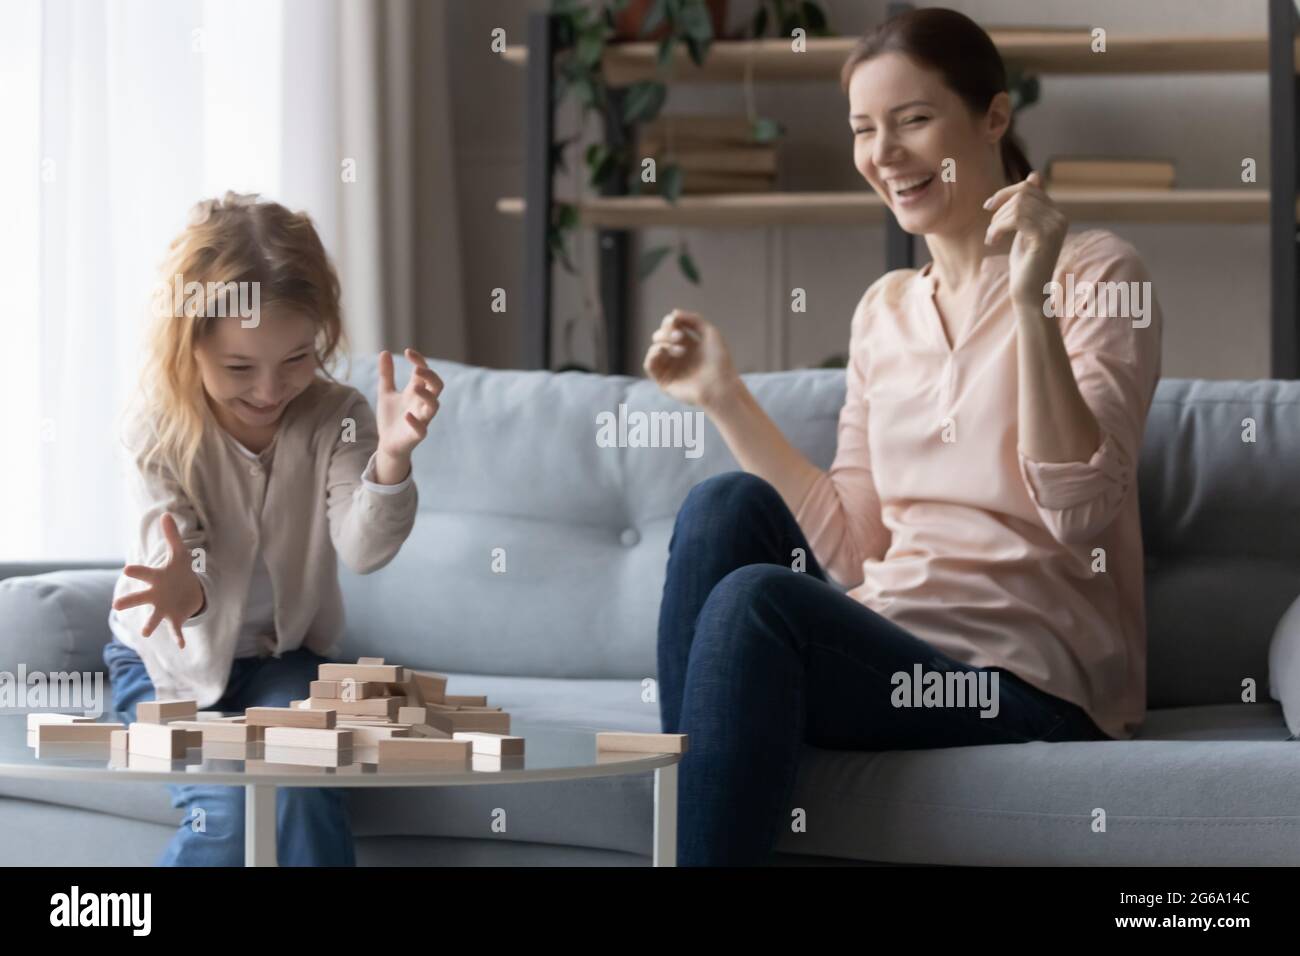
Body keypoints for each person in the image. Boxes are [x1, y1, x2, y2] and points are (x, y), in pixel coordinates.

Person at [643, 8, 1163, 866]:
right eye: (862, 130)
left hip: (1026, 687)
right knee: (722, 506)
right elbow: (853, 548)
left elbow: (1080, 514)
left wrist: (1029, 301)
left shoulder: (1099, 273)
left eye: (913, 120)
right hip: (891, 654)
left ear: (993, 117)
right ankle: (691, 829)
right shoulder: (884, 310)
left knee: (754, 602)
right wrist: (721, 395)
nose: (882, 153)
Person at [104, 191, 442, 865]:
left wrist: (392, 459)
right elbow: (181, 557)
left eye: (296, 359)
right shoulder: (157, 429)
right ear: (188, 345)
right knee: (227, 811)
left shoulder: (336, 414)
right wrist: (185, 590)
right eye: (238, 368)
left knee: (305, 780)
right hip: (167, 664)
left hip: (280, 661)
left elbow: (362, 548)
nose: (268, 390)